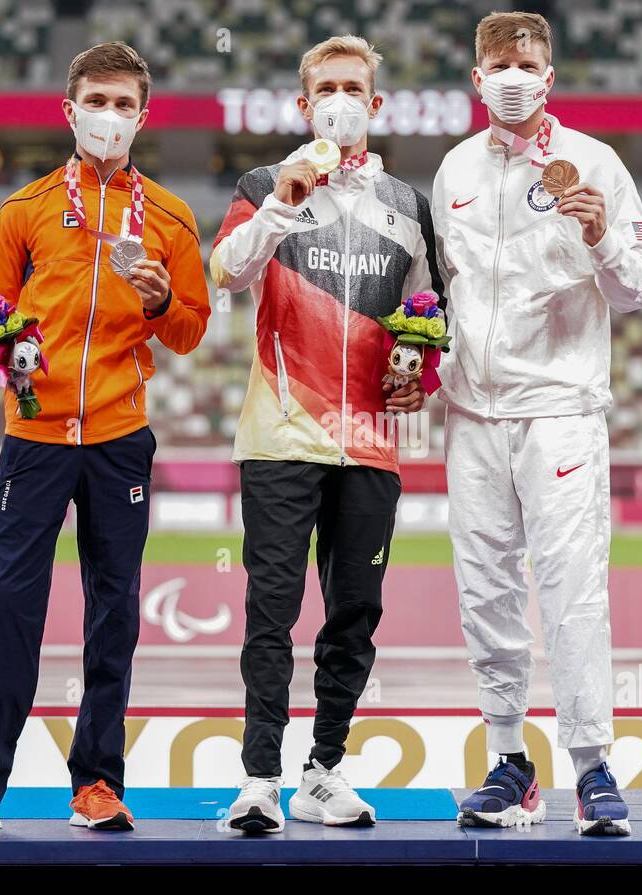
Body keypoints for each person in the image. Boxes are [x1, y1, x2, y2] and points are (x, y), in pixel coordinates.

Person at [0, 42, 211, 833]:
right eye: (98, 101)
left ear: (144, 117)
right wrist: (2, 349)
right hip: (36, 437)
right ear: (69, 109)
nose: (109, 117)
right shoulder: (23, 211)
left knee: (113, 609)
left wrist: (159, 305)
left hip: (121, 436)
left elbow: (190, 330)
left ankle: (97, 783)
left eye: (125, 105)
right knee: (10, 607)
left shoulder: (173, 219)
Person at [431, 11, 642, 836]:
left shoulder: (595, 163)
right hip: (471, 412)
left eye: (525, 63)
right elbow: (443, 290)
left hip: (561, 409)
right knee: (484, 591)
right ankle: (509, 764)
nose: (512, 76)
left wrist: (602, 238)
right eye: (497, 64)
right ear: (477, 79)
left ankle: (594, 767)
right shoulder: (453, 169)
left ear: (549, 77)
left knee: (570, 592)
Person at [210, 35, 442, 833]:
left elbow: (428, 314)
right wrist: (282, 201)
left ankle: (324, 771)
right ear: (303, 104)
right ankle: (258, 781)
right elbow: (228, 272)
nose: (340, 99)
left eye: (354, 87)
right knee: (270, 610)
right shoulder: (264, 183)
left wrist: (417, 363)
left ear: (375, 105)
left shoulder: (410, 206)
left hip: (371, 440)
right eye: (325, 88)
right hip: (281, 432)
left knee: (355, 612)